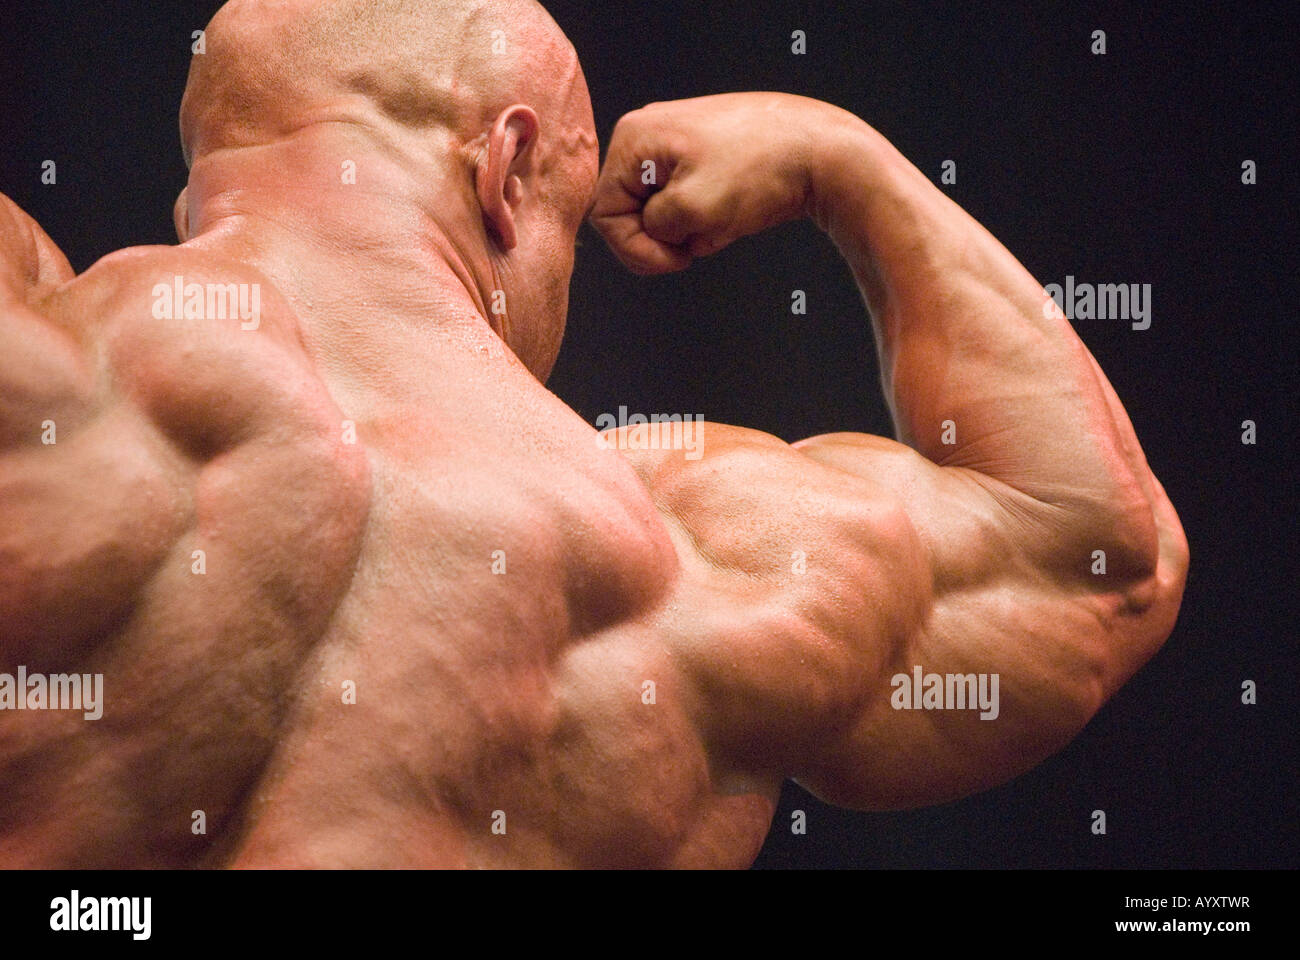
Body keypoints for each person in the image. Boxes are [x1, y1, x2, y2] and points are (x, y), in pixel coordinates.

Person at [0, 0, 1187, 868]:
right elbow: (1098, 560)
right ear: (506, 173)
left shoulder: (46, 366)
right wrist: (843, 161)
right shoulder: (690, 560)